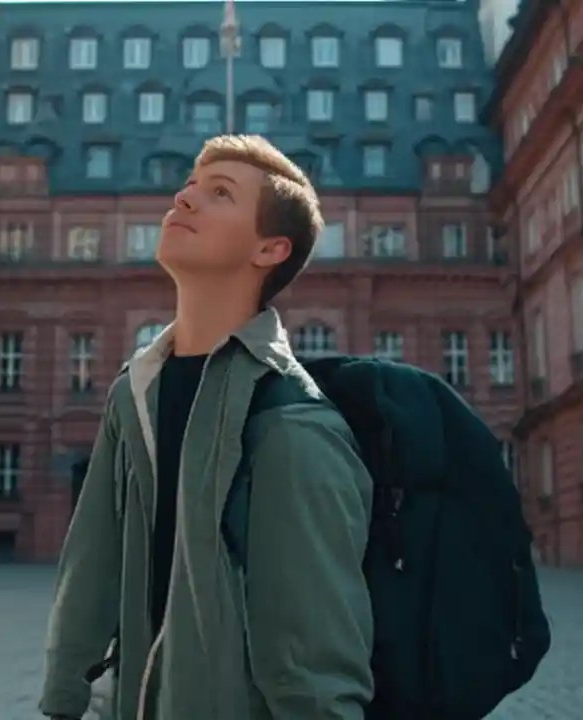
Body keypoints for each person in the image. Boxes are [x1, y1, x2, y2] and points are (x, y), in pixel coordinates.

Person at [39, 135, 375, 720]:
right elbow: (90, 569)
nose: (185, 199)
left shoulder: (291, 417)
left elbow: (315, 652)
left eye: (219, 193)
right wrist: (65, 702)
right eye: (190, 186)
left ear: (270, 248)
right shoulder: (134, 389)